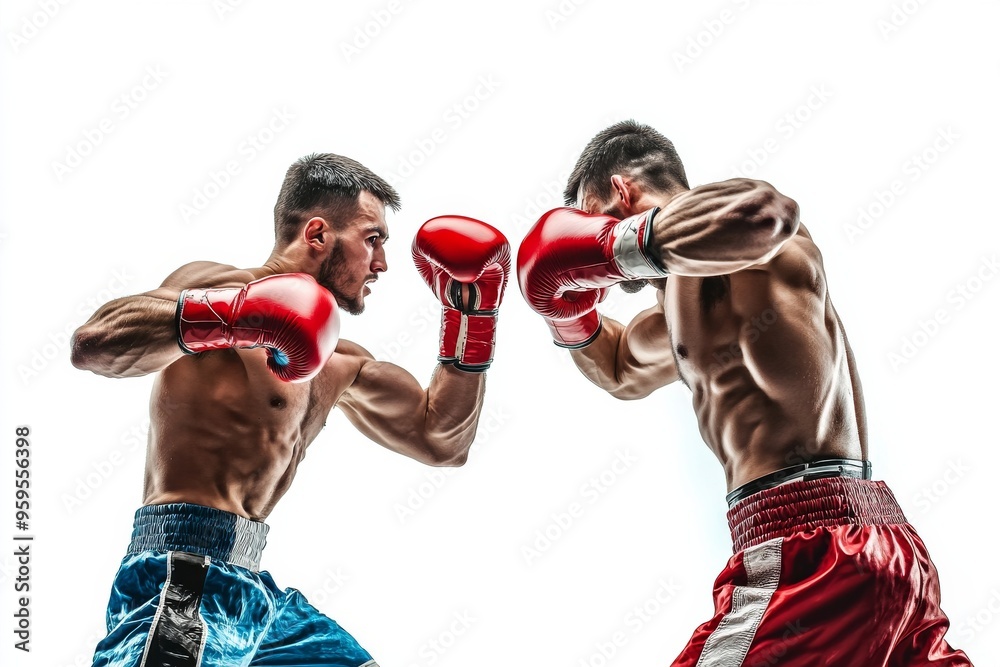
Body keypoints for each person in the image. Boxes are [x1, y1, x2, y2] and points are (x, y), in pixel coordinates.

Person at [516, 121, 972, 666]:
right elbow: (618, 369)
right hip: (882, 550)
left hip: (807, 553)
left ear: (621, 192)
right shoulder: (676, 310)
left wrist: (614, 246)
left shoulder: (747, 244)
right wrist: (559, 311)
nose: (600, 271)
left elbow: (765, 213)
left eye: (592, 220)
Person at [71, 152, 510, 667]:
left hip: (255, 591)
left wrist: (470, 316)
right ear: (318, 234)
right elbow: (94, 344)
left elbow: (442, 441)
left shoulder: (341, 362)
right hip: (183, 571)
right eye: (373, 240)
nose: (383, 264)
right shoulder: (221, 286)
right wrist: (236, 318)